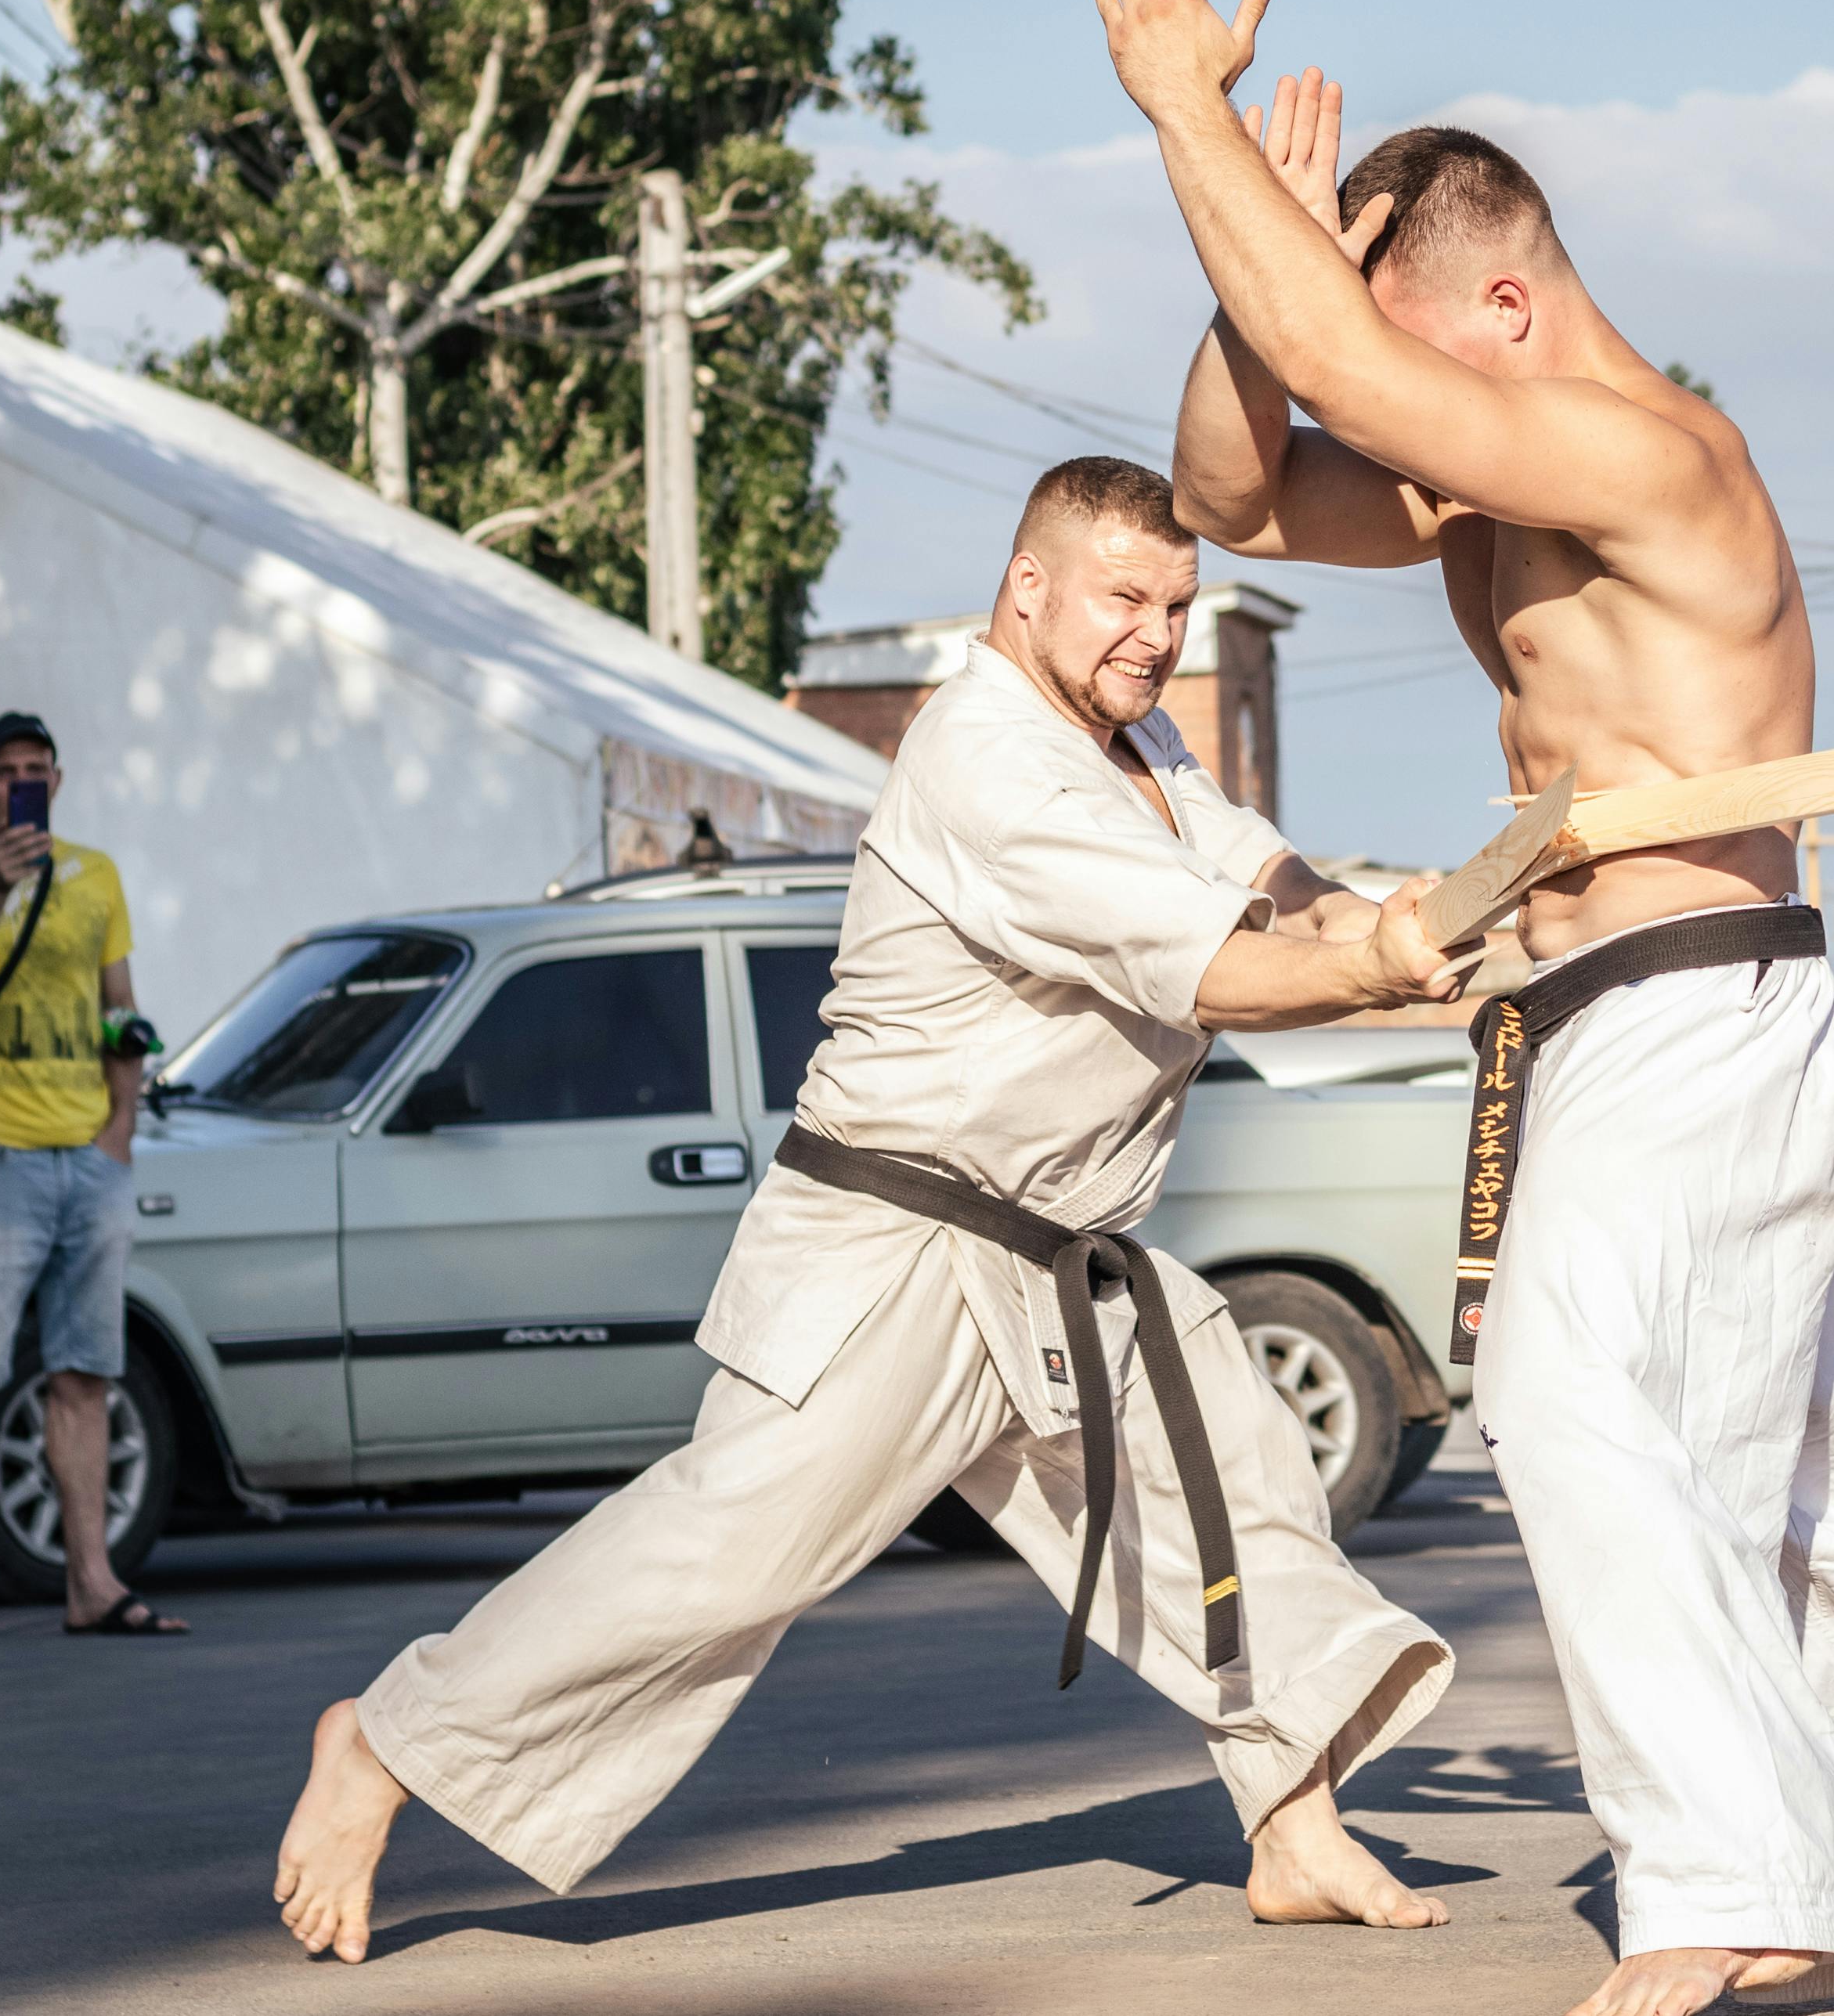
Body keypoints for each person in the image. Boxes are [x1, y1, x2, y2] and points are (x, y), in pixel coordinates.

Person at [1097, 0, 1834, 2016]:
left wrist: (1185, 117)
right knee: (1801, 1466)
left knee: (1568, 1402)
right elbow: (1235, 491)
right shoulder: (1482, 499)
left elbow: (1346, 374)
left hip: (1694, 994)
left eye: (1405, 354)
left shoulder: (1657, 459)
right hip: (1614, 1019)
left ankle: (1749, 1886)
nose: (1393, 421)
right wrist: (1247, 254)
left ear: (1506, 298)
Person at [273, 456, 1470, 1964]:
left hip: (1051, 1260)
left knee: (1228, 1486)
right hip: (896, 1248)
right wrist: (1373, 966)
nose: (1156, 635)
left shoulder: (1138, 744)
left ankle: (1292, 1820)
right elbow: (1217, 966)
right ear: (1027, 586)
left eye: (1175, 605)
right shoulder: (987, 760)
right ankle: (386, 1739)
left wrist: (1408, 917)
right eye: (1124, 598)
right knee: (725, 1556)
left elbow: (1268, 881)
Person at [0, 712, 181, 1646]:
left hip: (88, 1157)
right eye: (3, 770)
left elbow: (119, 1008)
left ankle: (91, 1580)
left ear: (57, 780)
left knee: (85, 1372)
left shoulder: (96, 873)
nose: (21, 781)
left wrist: (120, 1127)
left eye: (36, 768)